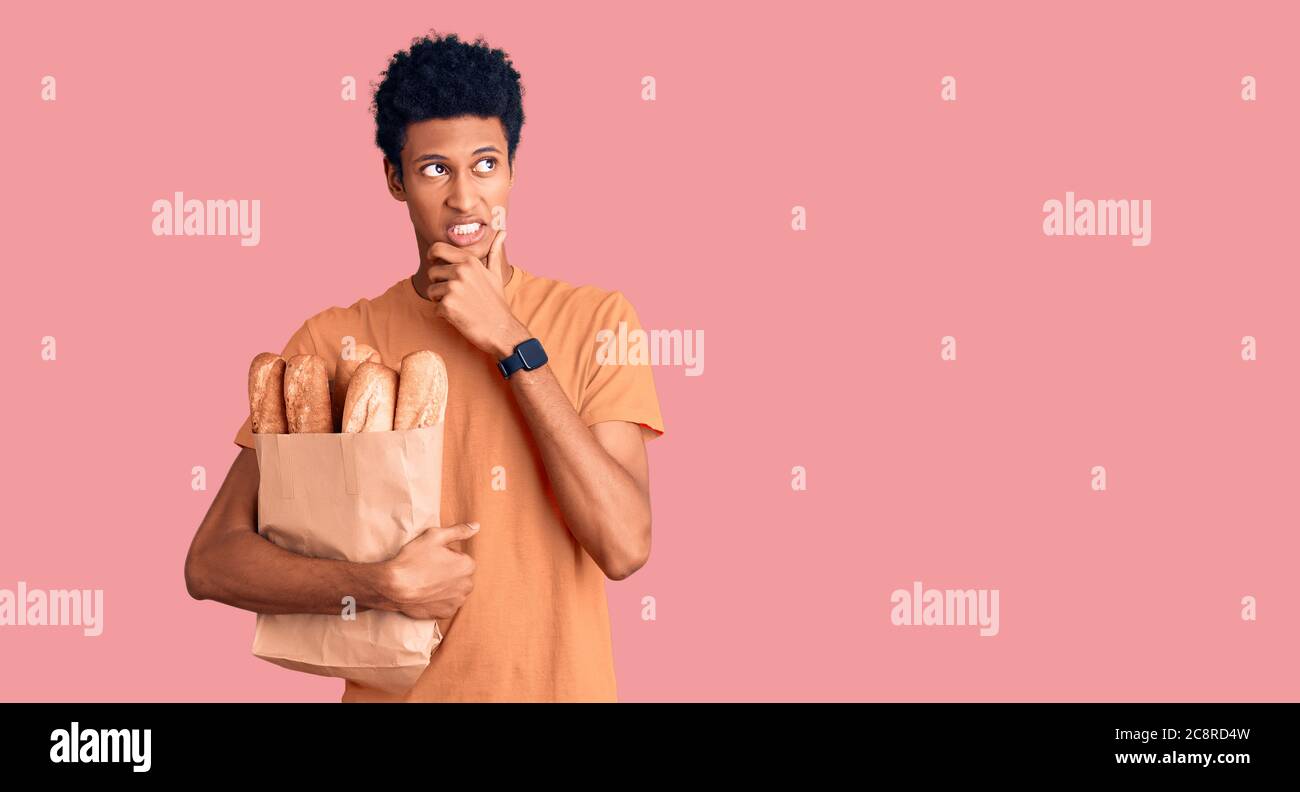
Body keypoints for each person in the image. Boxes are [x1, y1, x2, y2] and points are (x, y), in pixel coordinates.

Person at [184, 31, 665, 702]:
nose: (466, 197)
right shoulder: (334, 340)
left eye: (486, 164)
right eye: (435, 168)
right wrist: (377, 585)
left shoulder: (597, 321)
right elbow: (211, 562)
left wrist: (510, 340)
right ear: (395, 179)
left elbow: (623, 545)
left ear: (513, 169)